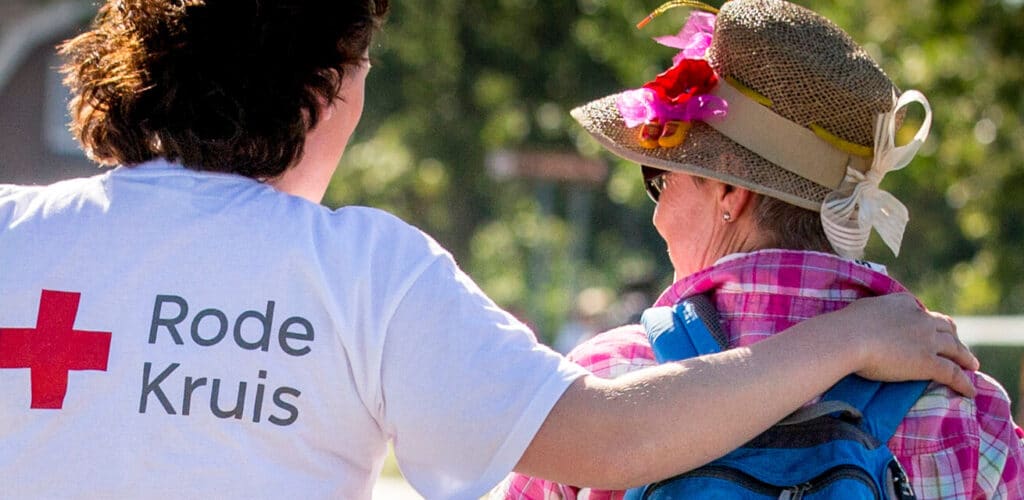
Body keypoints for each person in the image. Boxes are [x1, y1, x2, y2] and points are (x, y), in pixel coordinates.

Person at [0, 1, 979, 499]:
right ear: (321, 85)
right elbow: (608, 434)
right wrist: (849, 338)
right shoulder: (367, 273)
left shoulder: (10, 230)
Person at [501, 1, 1024, 498]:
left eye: (660, 178)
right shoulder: (964, 413)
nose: (657, 213)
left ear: (731, 193)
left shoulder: (607, 386)